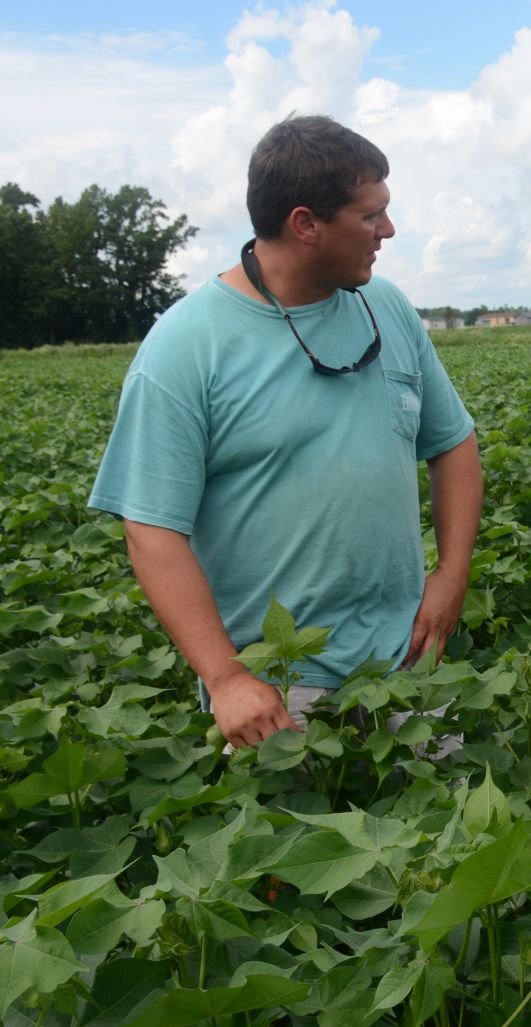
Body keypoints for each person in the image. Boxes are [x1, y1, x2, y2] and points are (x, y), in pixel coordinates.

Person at [89, 115, 482, 749]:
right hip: (274, 685)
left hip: (407, 660)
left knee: (453, 836)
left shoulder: (388, 307)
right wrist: (225, 678)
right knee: (301, 847)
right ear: (306, 224)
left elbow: (453, 444)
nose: (388, 230)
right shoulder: (187, 346)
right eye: (370, 215)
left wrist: (452, 574)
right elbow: (151, 529)